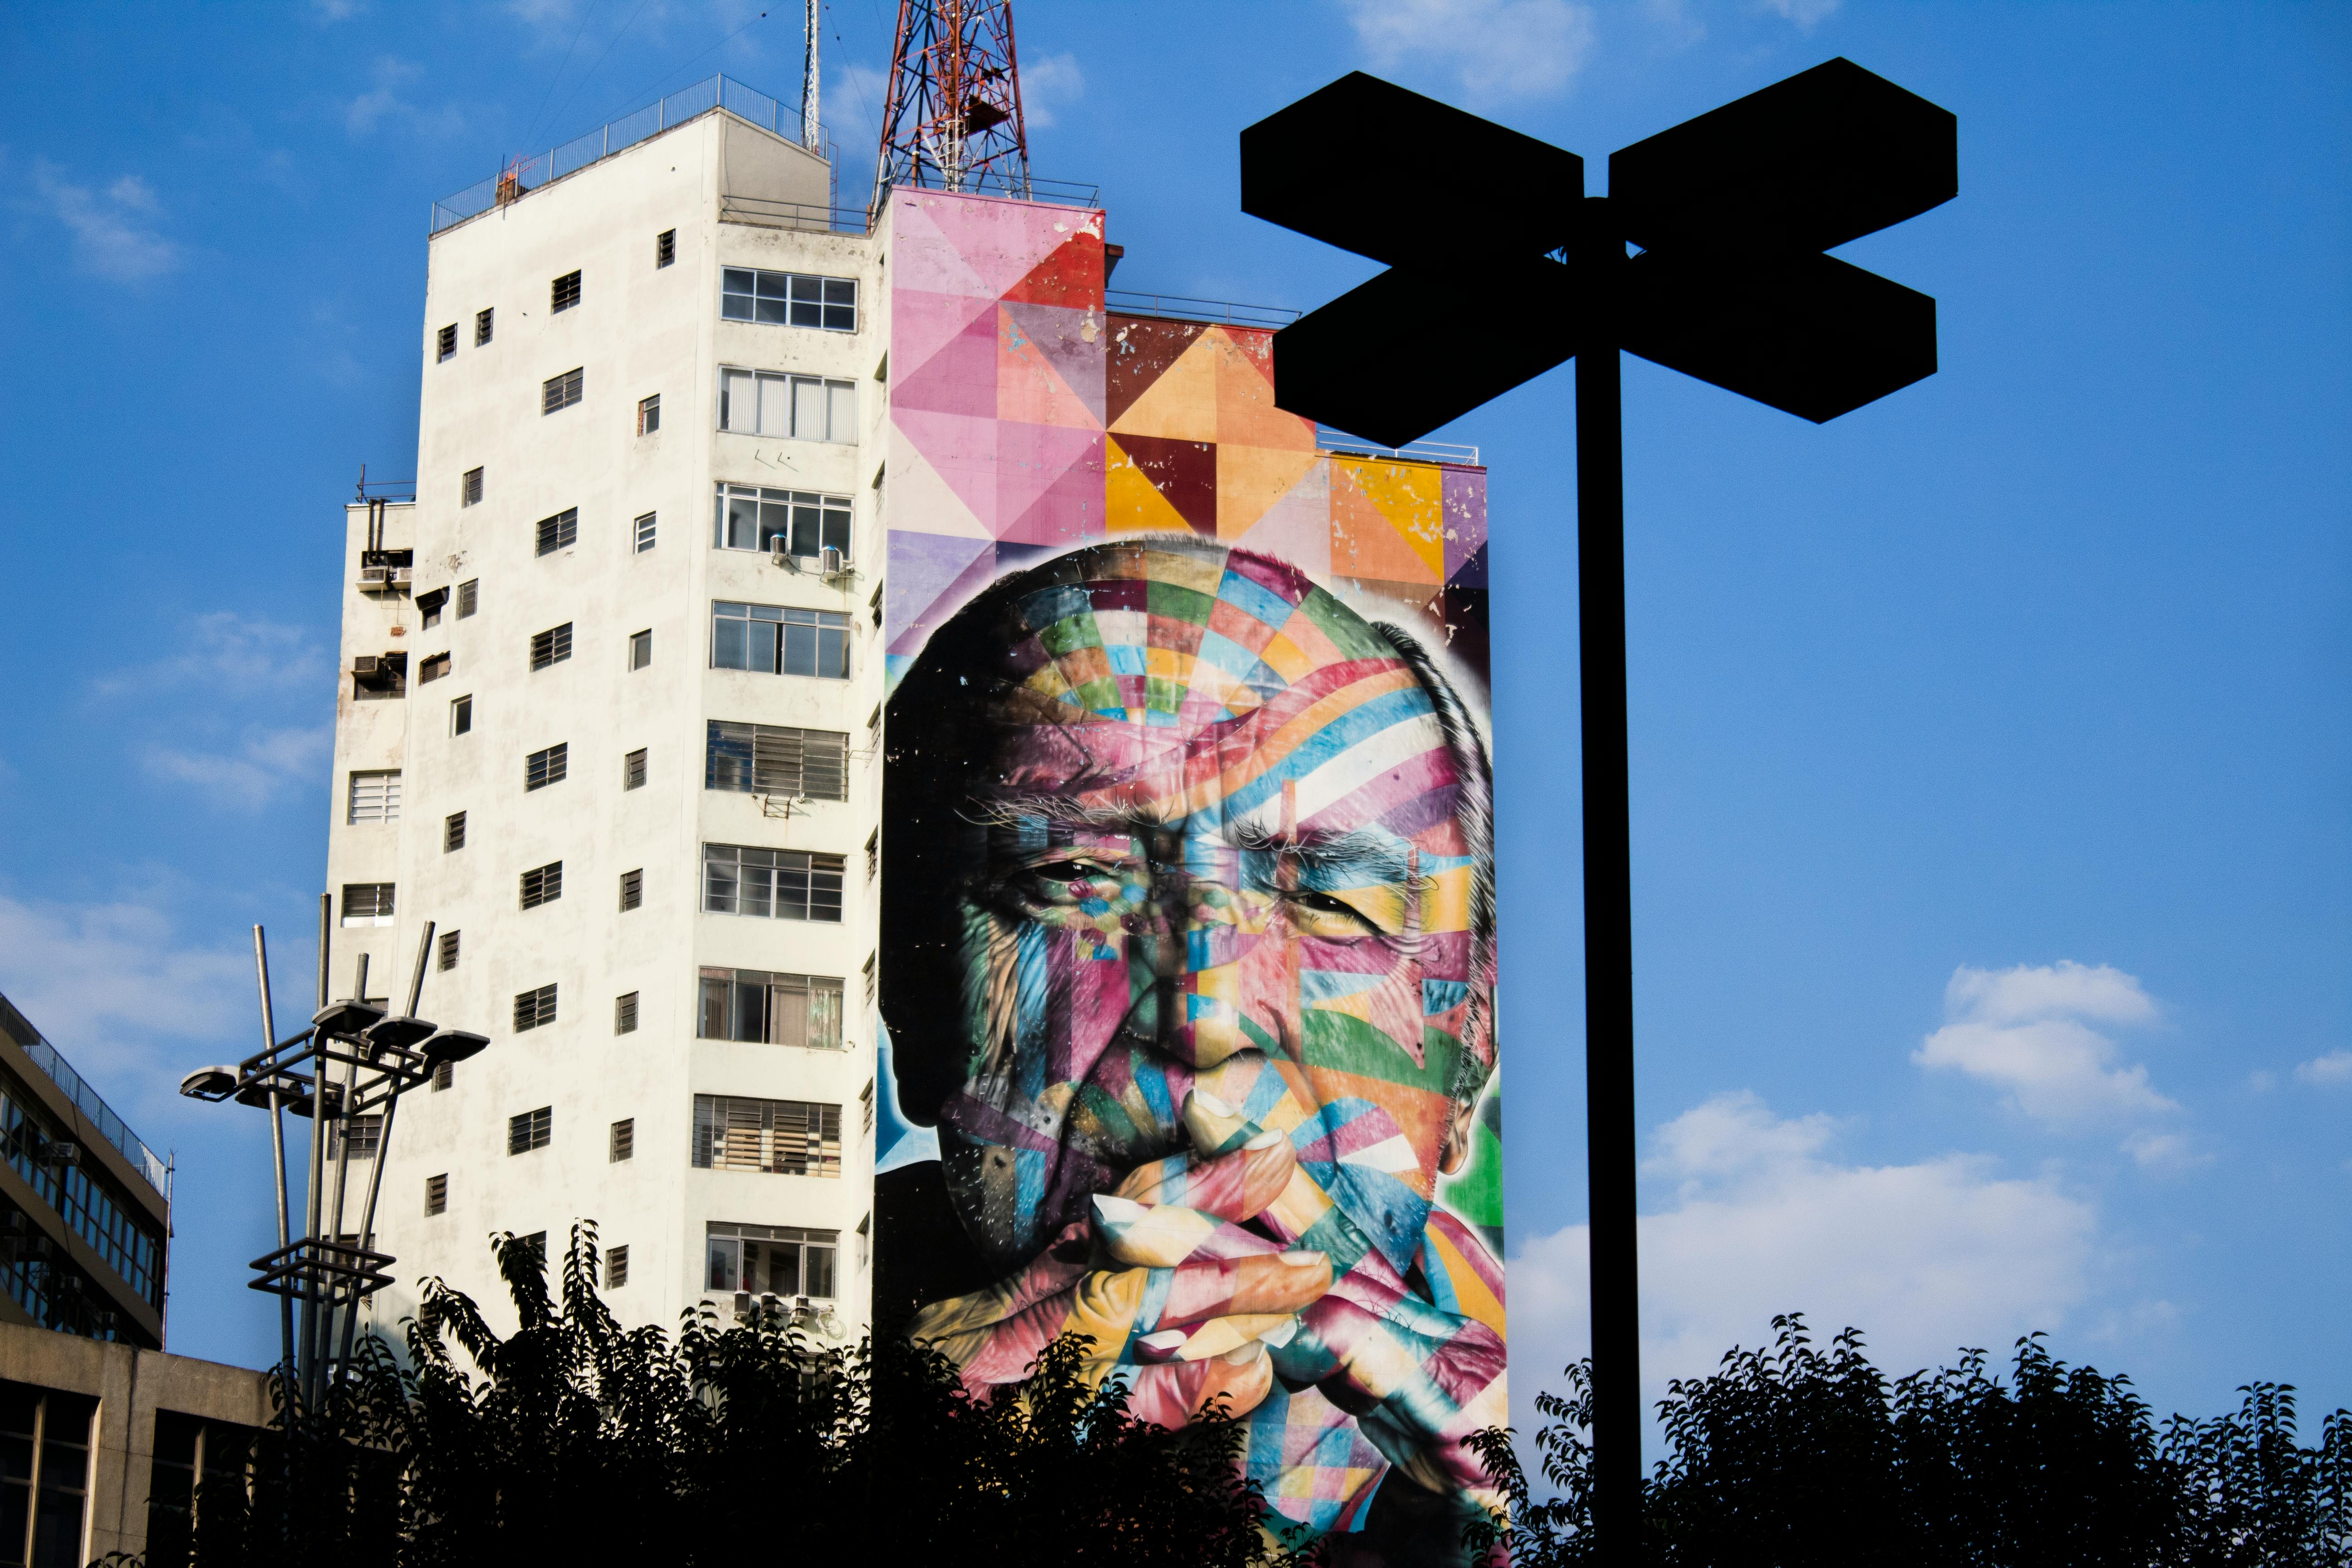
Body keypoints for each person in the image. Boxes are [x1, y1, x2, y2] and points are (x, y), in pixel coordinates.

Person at [877, 537, 1505, 1560]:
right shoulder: (763, 1397)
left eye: (1331, 902)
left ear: (1467, 1042)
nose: (1204, 1020)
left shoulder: (1582, 1441)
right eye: (1077, 880)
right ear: (911, 1007)